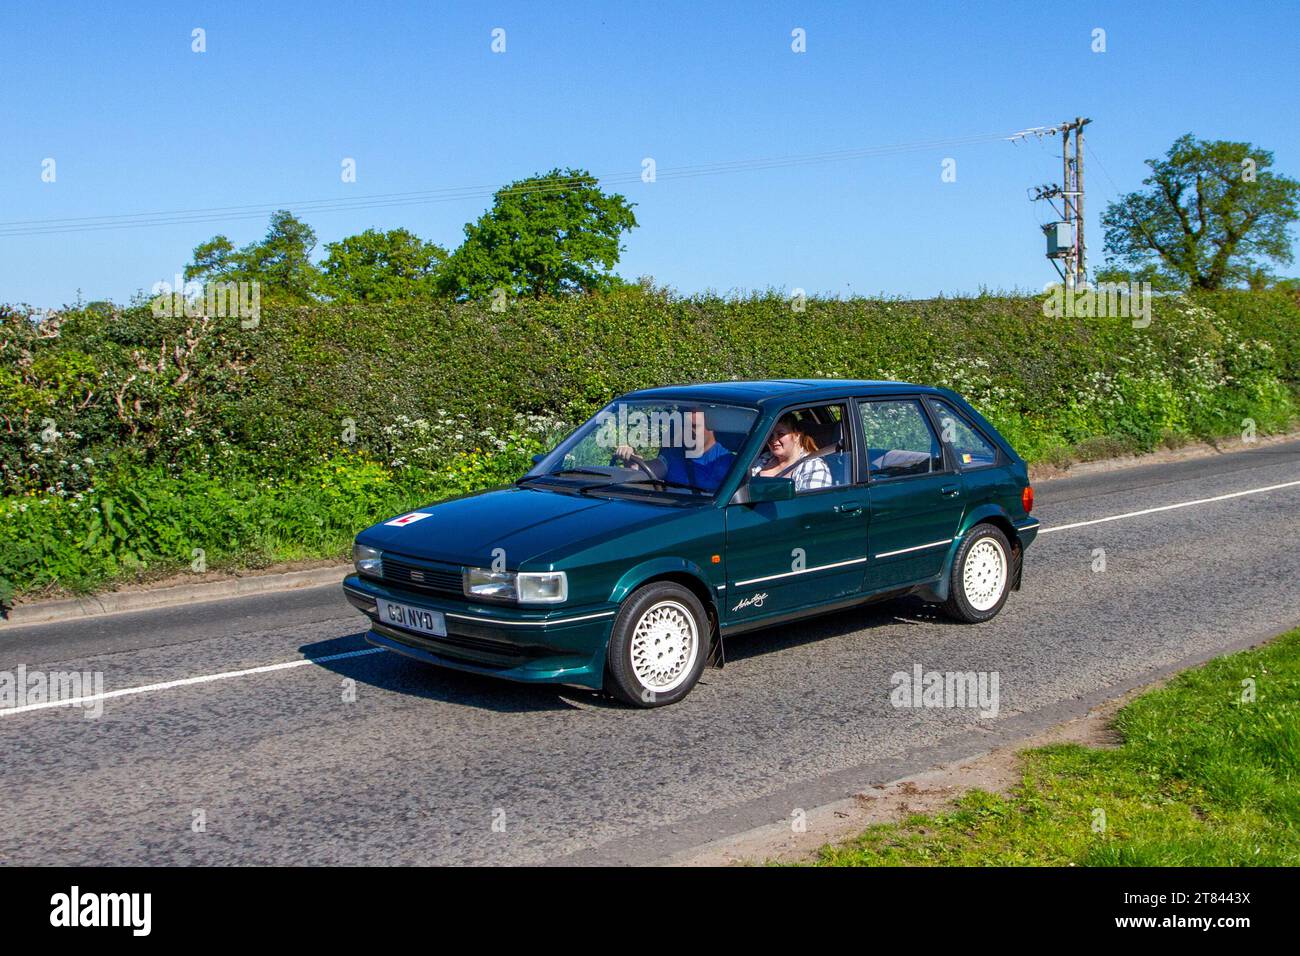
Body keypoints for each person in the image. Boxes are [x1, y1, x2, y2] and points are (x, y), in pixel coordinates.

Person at [613, 407, 735, 492]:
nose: (689, 430)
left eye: (694, 426)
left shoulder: (728, 461)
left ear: (711, 427)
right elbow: (649, 471)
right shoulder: (672, 456)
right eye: (684, 426)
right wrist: (632, 462)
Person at [750, 413, 832, 493]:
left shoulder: (813, 467)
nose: (773, 440)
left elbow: (811, 503)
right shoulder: (764, 458)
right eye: (770, 435)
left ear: (797, 435)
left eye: (780, 434)